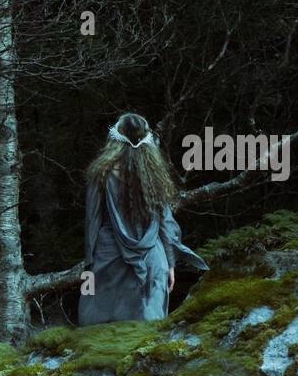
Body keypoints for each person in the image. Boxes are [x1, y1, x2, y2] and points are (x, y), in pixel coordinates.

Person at [78, 112, 208, 326]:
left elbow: (92, 222)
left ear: (115, 138)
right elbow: (166, 224)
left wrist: (89, 266)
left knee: (100, 322)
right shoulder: (155, 175)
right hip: (152, 258)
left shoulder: (101, 173)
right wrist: (170, 263)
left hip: (109, 257)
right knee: (148, 325)